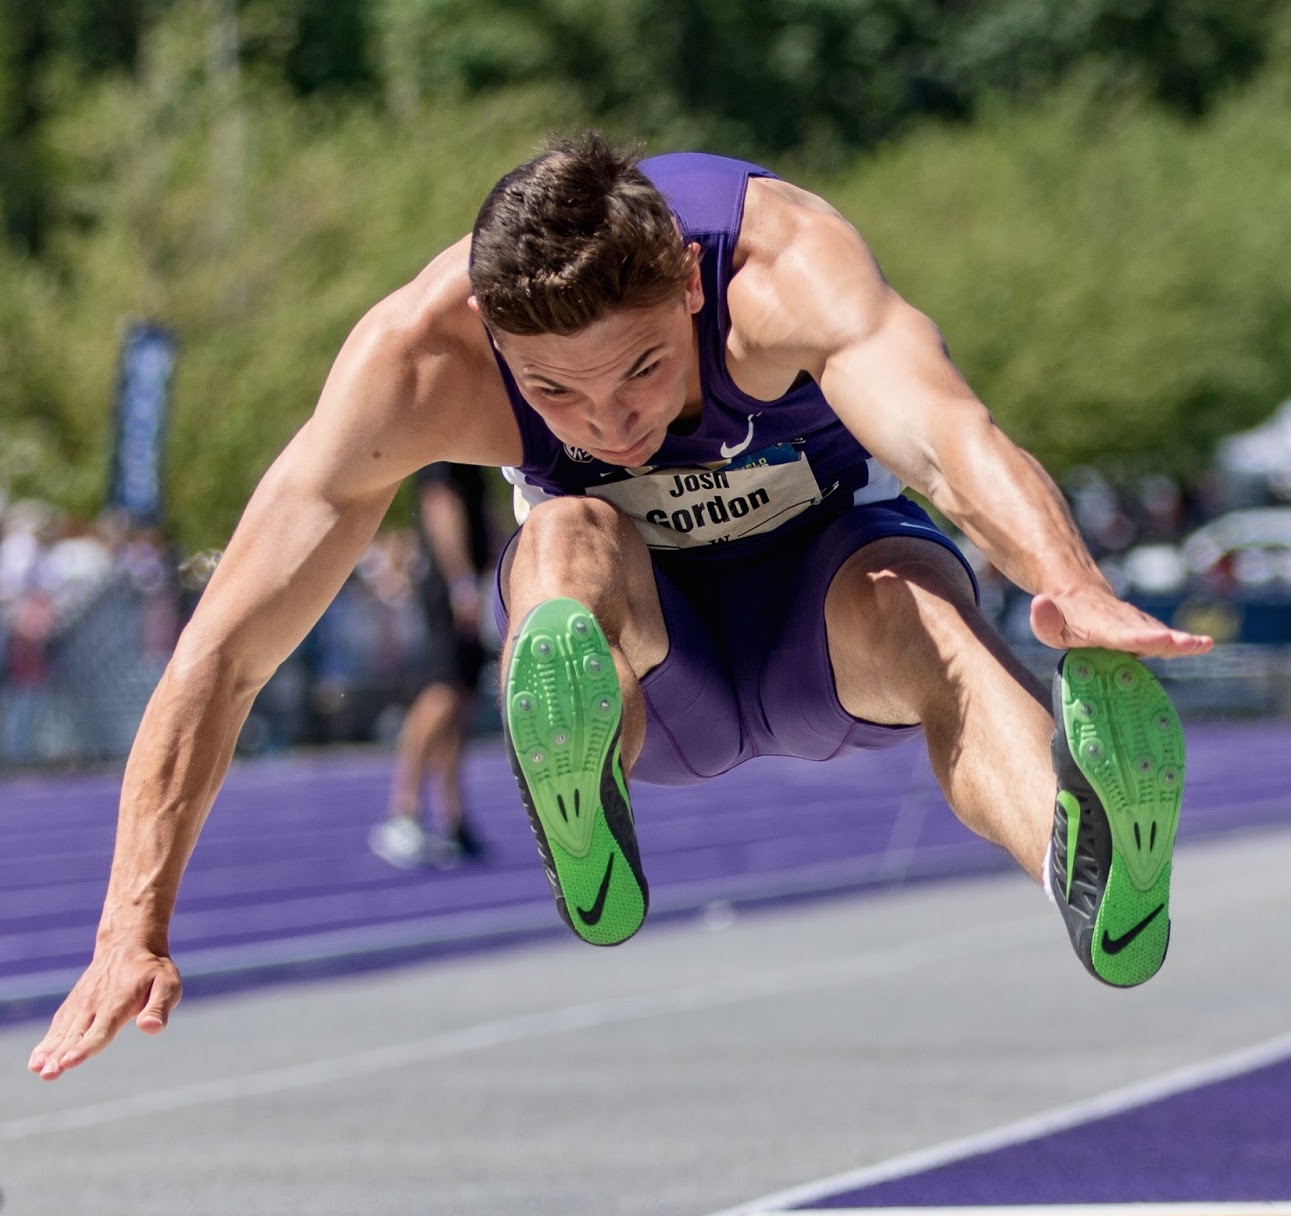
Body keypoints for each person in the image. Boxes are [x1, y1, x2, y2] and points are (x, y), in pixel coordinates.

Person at [29, 134, 1211, 1082]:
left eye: (643, 369)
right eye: (554, 392)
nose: (607, 424)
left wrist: (1073, 585)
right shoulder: (416, 358)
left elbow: (952, 443)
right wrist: (130, 923)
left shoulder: (779, 267)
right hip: (657, 664)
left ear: (689, 286)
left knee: (926, 622)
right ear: (493, 342)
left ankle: (1084, 850)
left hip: (831, 607)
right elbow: (223, 651)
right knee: (564, 531)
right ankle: (578, 769)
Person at [368, 463, 496, 867]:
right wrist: (460, 582)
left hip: (468, 581)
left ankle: (453, 816)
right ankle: (402, 811)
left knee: (460, 701)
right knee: (442, 693)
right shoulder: (443, 443)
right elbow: (440, 505)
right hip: (449, 586)